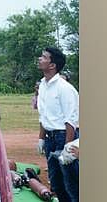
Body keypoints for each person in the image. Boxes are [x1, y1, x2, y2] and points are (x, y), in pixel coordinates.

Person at [36, 47, 79, 202]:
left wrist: (68, 146)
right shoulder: (42, 85)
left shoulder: (64, 88)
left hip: (63, 137)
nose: (40, 59)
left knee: (71, 182)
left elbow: (70, 120)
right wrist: (41, 138)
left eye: (44, 57)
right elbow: (44, 115)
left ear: (52, 65)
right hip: (50, 137)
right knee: (56, 183)